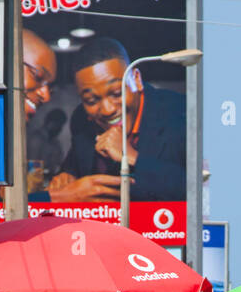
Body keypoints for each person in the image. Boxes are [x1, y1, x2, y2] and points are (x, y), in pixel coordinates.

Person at [52, 37, 185, 203]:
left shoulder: (180, 112)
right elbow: (74, 166)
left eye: (116, 93)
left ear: (136, 79)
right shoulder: (82, 119)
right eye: (91, 101)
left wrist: (132, 157)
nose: (107, 110)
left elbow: (199, 189)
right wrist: (67, 176)